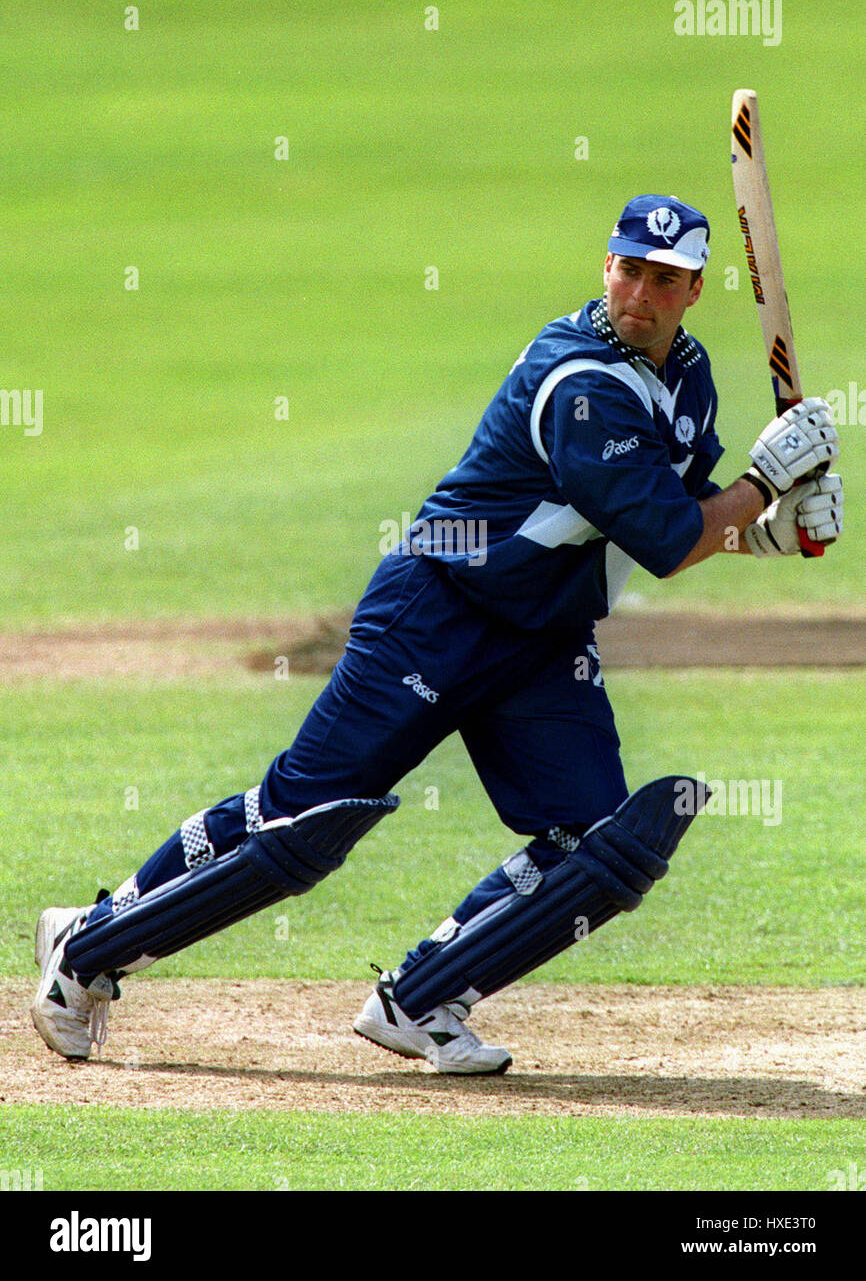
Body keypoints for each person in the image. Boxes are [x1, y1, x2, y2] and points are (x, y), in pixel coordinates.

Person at [31, 195, 843, 1074]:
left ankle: (422, 998)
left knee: (600, 844)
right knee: (300, 826)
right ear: (605, 266)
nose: (640, 292)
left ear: (693, 289)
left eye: (663, 278)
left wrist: (767, 529)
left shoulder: (684, 374)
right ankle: (85, 953)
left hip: (542, 638)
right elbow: (672, 539)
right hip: (438, 612)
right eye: (628, 269)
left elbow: (677, 512)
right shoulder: (582, 387)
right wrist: (766, 485)